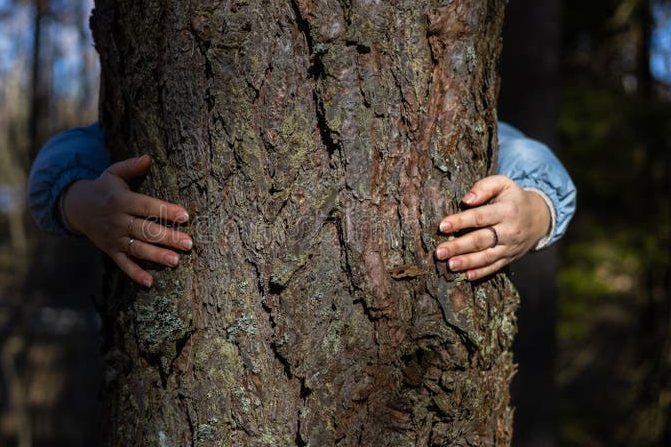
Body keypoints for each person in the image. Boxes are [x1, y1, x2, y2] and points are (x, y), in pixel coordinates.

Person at [28, 121, 576, 287]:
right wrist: (81, 204)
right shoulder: (147, 113)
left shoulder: (438, 107)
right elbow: (60, 159)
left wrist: (533, 212)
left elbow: (530, 156)